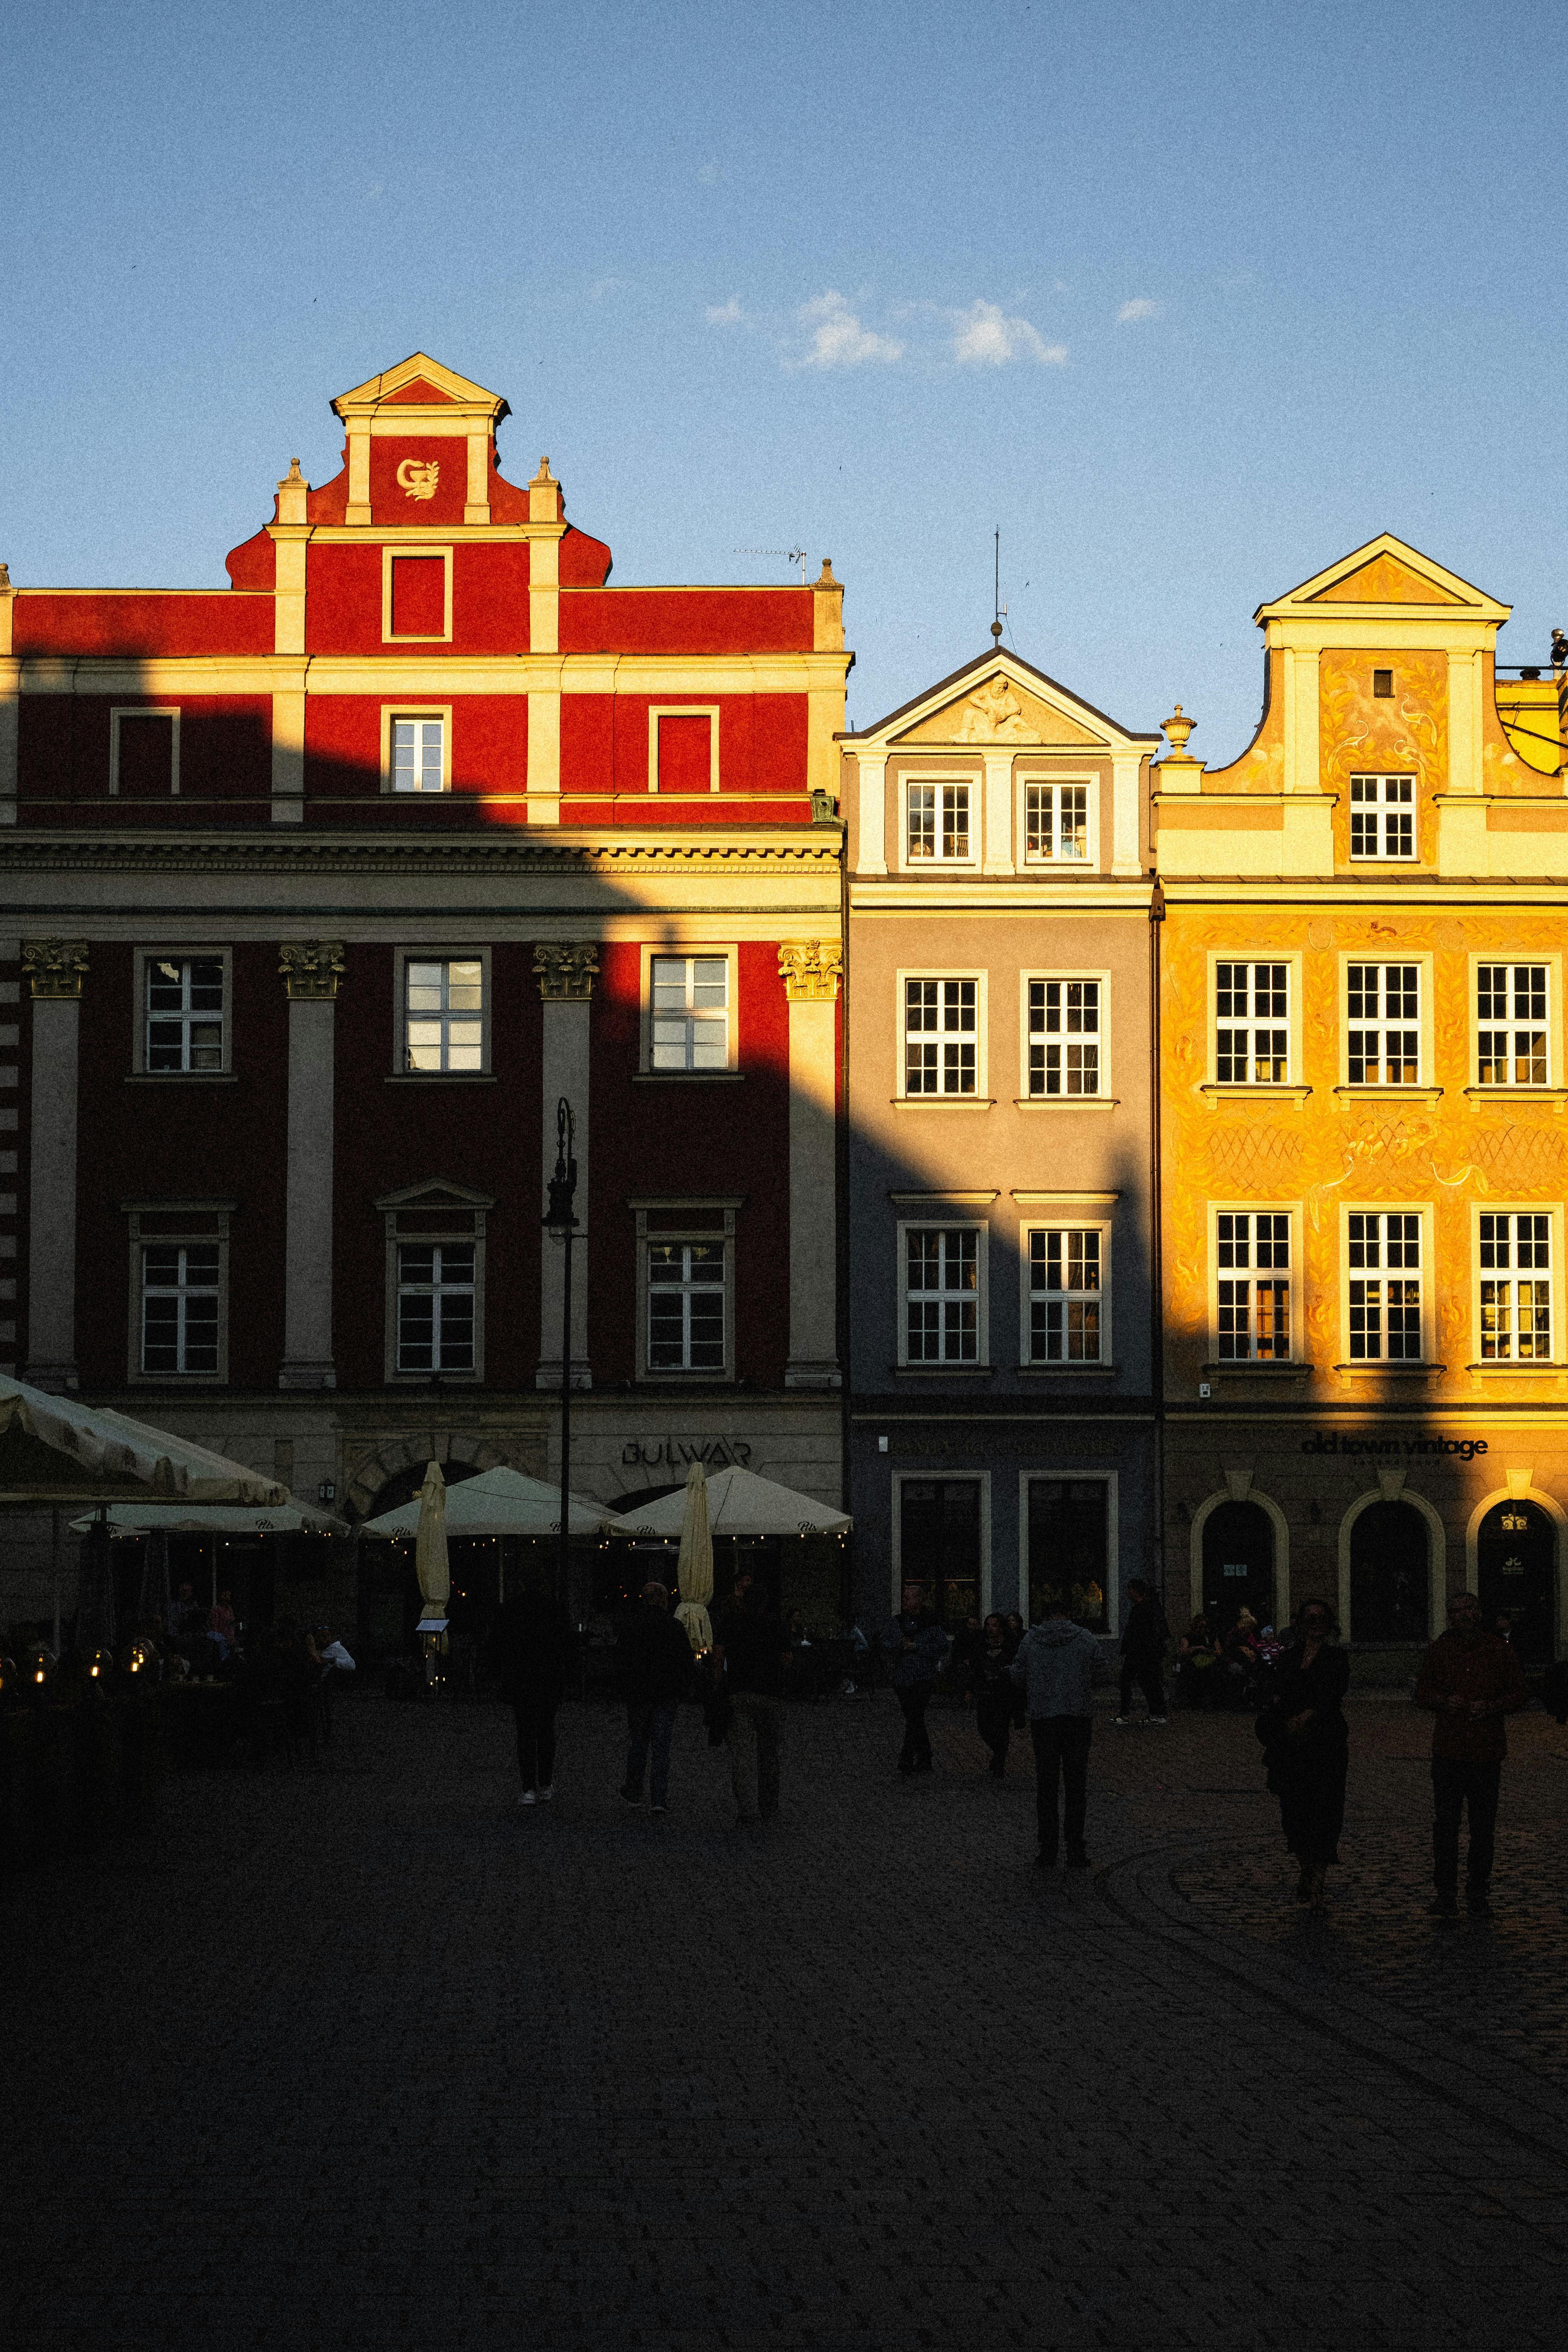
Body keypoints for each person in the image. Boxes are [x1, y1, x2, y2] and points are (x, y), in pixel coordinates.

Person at [1414, 1587, 1529, 1920]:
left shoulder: (1499, 1650)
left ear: (1479, 1614)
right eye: (1459, 1610)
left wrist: (1493, 1706)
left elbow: (1520, 1693)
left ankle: (1478, 1892)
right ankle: (1446, 1894)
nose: (1465, 1615)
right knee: (1446, 1826)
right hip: (1448, 1750)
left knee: (1483, 1829)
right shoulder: (1440, 1650)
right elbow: (1422, 1692)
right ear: (1451, 1617)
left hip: (1486, 1750)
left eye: (1471, 1609)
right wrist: (1442, 1701)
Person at [1256, 1599, 1350, 1909]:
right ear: (1299, 1623)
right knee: (1294, 1813)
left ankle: (1317, 1877)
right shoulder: (1289, 1658)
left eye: (1322, 1619)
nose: (1316, 1623)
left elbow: (1332, 1694)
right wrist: (1286, 1718)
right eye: (1310, 1618)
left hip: (1325, 1746)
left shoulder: (1336, 1658)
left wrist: (1307, 1714)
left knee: (1324, 1812)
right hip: (1291, 1748)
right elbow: (1275, 1693)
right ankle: (1305, 1868)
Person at [1010, 1599, 1101, 1865]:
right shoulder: (1084, 1637)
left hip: (1044, 1719)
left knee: (1047, 1786)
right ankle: (1076, 1850)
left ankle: (1048, 1849)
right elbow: (1102, 1669)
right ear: (1067, 1615)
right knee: (1076, 1785)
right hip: (1077, 1718)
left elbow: (1017, 1674)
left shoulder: (1031, 1640)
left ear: (1046, 1615)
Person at [494, 1571, 576, 1807]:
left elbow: (501, 1644)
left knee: (526, 1733)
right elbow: (566, 1644)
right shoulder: (555, 1609)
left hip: (521, 1678)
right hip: (549, 1678)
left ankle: (529, 1786)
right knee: (546, 1731)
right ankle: (546, 1783)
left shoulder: (512, 1609)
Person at [712, 1581, 790, 1825]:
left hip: (739, 1693)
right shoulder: (777, 1624)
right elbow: (787, 1660)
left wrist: (717, 1686)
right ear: (765, 1604)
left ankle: (747, 1808)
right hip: (769, 1694)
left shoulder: (731, 1623)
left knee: (742, 1754)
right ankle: (769, 1806)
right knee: (769, 1754)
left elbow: (718, 1657)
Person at [616, 1580, 692, 1815]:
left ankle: (634, 1792)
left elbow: (622, 1662)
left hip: (639, 1694)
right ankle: (658, 1798)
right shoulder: (674, 1627)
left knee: (638, 1744)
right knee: (661, 1747)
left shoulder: (632, 1627)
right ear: (663, 1600)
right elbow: (685, 1662)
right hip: (666, 1694)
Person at [879, 1584, 948, 1774]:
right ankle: (923, 1757)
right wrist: (898, 1645)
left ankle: (908, 1758)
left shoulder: (931, 1622)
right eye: (904, 1599)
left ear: (919, 1600)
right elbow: (884, 1643)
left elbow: (942, 1647)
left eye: (908, 1598)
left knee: (915, 1717)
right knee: (914, 1719)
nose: (905, 1602)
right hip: (903, 1677)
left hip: (924, 1676)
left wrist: (917, 1647)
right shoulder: (897, 1622)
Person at [1115, 1578, 1168, 1725]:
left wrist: (1130, 1648)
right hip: (1143, 1653)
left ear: (1136, 1591)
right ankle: (1156, 1714)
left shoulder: (1144, 1609)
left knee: (1141, 1681)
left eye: (1129, 1590)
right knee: (1148, 1682)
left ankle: (1147, 1714)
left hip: (1142, 1653)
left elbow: (1140, 1633)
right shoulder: (1149, 1607)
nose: (1128, 1593)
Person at [972, 1613, 1015, 1777]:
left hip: (1004, 1692)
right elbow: (976, 1668)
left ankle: (1000, 1762)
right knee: (984, 1728)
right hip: (985, 1692)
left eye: (995, 1625)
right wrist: (971, 1689)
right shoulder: (981, 1645)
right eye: (989, 1625)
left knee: (1002, 1727)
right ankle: (999, 1754)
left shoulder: (1010, 1645)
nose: (991, 1629)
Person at [1178, 1612, 1223, 1709]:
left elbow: (1219, 1652)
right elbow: (1183, 1651)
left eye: (1205, 1626)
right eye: (1201, 1626)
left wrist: (1210, 1652)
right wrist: (1197, 1648)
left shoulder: (1211, 1636)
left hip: (1210, 1662)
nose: (1203, 1629)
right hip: (1194, 1663)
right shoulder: (1189, 1637)